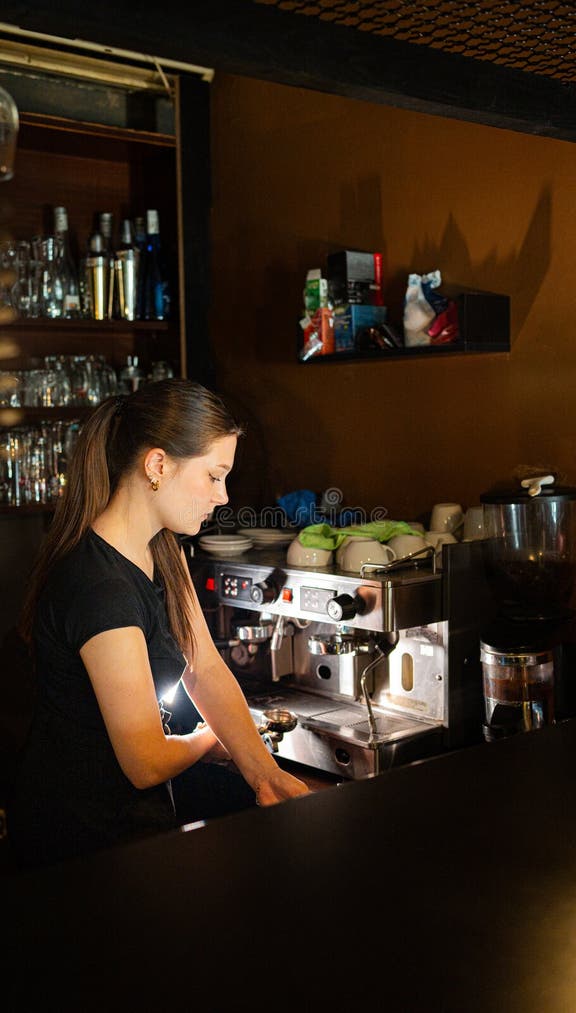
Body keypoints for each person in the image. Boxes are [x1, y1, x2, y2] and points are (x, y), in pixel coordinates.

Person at [8, 378, 309, 868]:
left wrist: (265, 775)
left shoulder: (163, 549)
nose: (223, 496)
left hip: (136, 824)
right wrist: (206, 740)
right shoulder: (101, 590)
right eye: (213, 476)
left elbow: (204, 669)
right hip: (79, 845)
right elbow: (145, 761)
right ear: (157, 465)